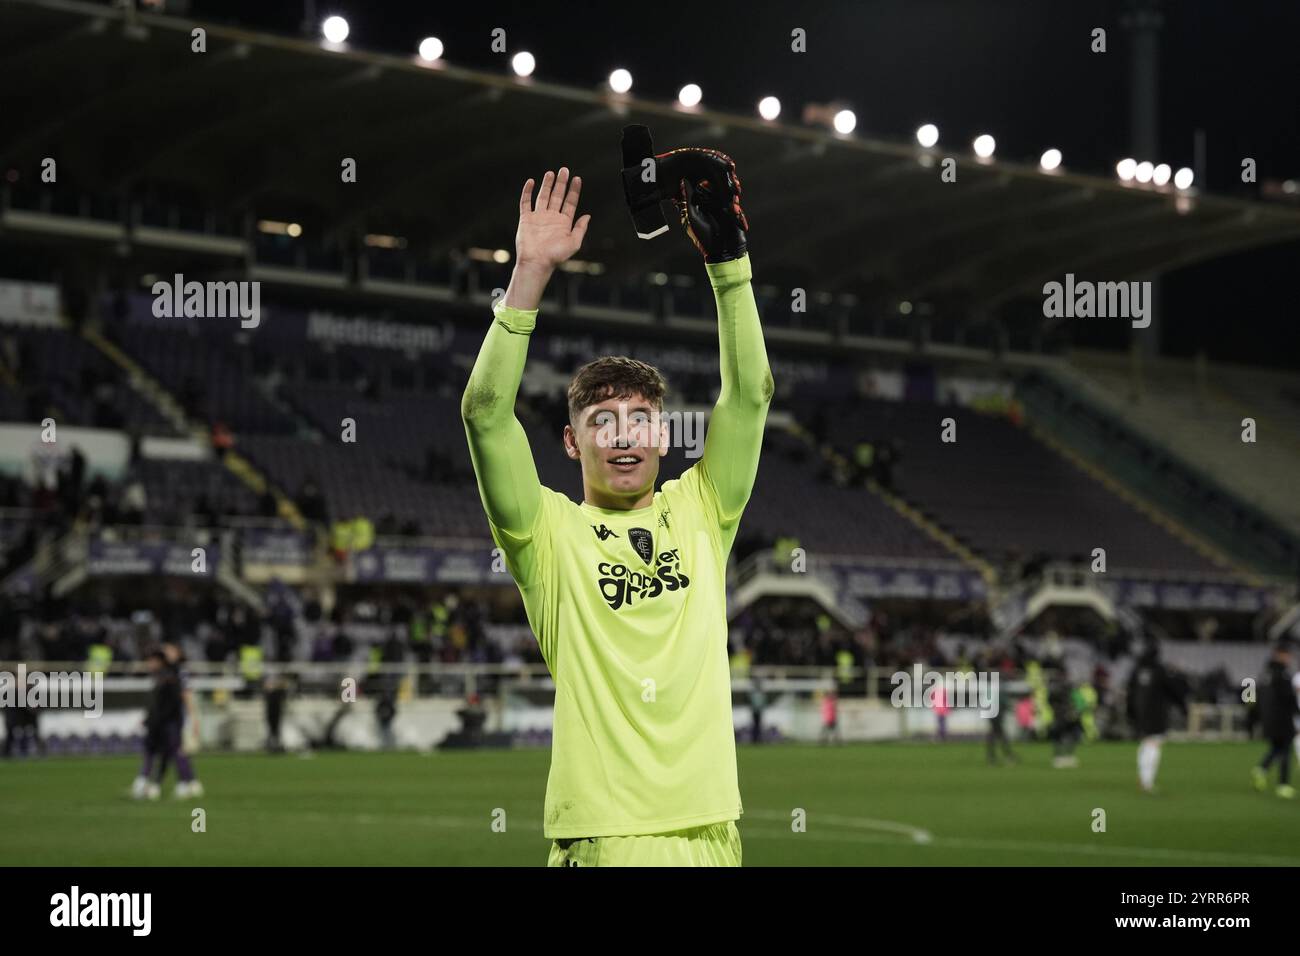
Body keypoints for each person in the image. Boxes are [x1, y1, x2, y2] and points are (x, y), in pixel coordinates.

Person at [462, 160, 768, 867]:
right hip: (613, 837)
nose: (624, 434)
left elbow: (750, 396)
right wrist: (529, 274)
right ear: (571, 443)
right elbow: (484, 415)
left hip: (716, 830)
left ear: (664, 435)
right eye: (602, 421)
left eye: (640, 419)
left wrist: (730, 264)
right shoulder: (546, 536)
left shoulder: (701, 510)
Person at [1126, 639, 1186, 794]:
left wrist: (1130, 713)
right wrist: (1182, 705)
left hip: (1140, 714)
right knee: (1154, 744)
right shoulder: (1159, 670)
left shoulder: (1137, 669)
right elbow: (1173, 690)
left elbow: (1129, 692)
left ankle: (1143, 778)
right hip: (1156, 714)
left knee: (1146, 743)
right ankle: (1147, 781)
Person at [1252, 641, 1297, 799]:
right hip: (1282, 718)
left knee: (1277, 748)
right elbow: (1288, 698)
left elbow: (1256, 694)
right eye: (1288, 654)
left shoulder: (1267, 672)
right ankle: (1283, 785)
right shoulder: (1282, 674)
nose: (1290, 658)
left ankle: (1261, 769)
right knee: (1285, 751)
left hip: (1269, 717)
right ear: (1281, 655)